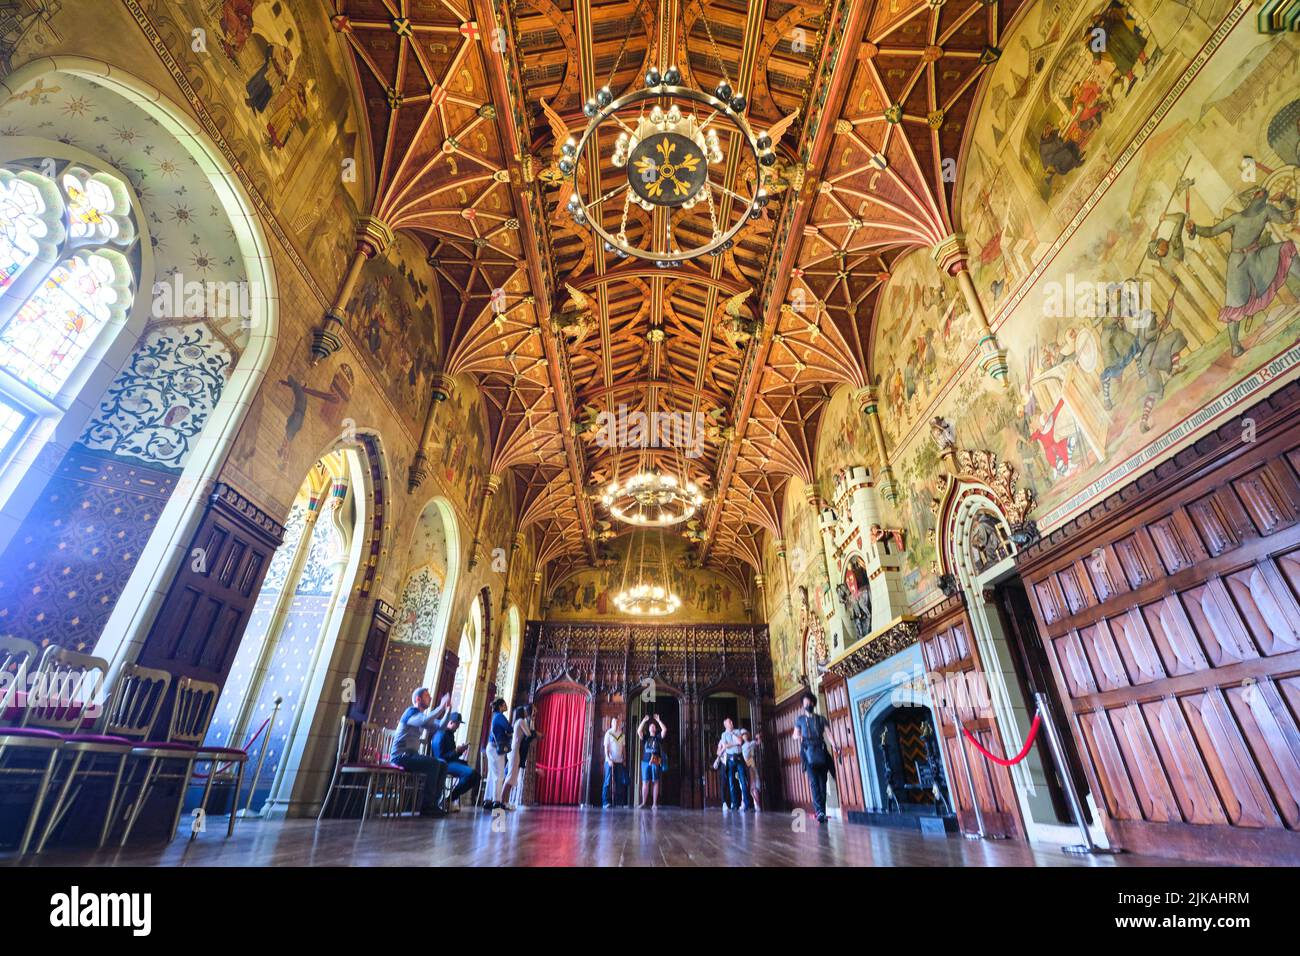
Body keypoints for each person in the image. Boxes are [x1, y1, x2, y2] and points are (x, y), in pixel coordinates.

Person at [389, 687, 450, 817]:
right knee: (433, 763)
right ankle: (426, 806)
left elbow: (441, 727)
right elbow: (424, 721)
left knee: (443, 764)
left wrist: (448, 710)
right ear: (418, 699)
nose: (430, 698)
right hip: (400, 756)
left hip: (412, 755)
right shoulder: (411, 712)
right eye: (427, 696)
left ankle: (434, 804)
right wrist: (440, 707)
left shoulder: (422, 716)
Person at [793, 692, 838, 823]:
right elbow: (795, 735)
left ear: (813, 703)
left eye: (810, 702)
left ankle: (822, 810)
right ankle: (819, 811)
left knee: (822, 783)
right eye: (806, 703)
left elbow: (829, 734)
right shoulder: (800, 719)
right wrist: (799, 735)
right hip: (808, 753)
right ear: (803, 705)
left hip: (821, 752)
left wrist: (835, 745)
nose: (808, 705)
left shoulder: (821, 719)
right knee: (813, 782)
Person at [431, 710, 480, 812]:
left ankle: (450, 799)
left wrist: (459, 751)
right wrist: (456, 751)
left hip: (451, 762)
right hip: (444, 764)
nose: (458, 727)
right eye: (457, 724)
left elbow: (452, 754)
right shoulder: (441, 734)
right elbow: (440, 757)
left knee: (476, 776)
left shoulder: (450, 734)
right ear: (450, 722)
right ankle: (449, 800)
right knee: (470, 774)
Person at [508, 703, 541, 808]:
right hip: (523, 750)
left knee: (527, 775)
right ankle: (518, 799)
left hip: (530, 751)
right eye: (534, 710)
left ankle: (526, 799)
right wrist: (536, 734)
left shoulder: (531, 721)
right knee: (520, 775)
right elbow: (529, 735)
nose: (536, 712)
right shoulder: (524, 721)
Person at [483, 698, 513, 811]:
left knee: (492, 775)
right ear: (500, 706)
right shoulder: (500, 716)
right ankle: (497, 801)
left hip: (491, 747)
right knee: (499, 775)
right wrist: (508, 733)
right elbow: (509, 728)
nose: (506, 706)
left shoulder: (494, 715)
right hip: (496, 748)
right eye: (504, 705)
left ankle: (488, 800)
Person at [719, 716, 753, 812]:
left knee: (743, 781)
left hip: (739, 758)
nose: (731, 723)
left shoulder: (737, 731)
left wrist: (733, 736)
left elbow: (740, 742)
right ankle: (735, 804)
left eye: (731, 721)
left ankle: (746, 804)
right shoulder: (724, 734)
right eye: (729, 722)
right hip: (730, 759)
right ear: (725, 725)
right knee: (731, 782)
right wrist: (734, 743)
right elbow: (725, 746)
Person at [637, 712, 668, 809]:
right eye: (651, 726)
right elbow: (639, 731)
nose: (652, 726)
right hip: (645, 762)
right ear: (649, 728)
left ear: (655, 729)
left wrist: (658, 721)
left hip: (656, 760)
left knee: (655, 781)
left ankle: (654, 804)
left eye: (654, 726)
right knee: (645, 782)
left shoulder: (658, 737)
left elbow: (664, 729)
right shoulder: (646, 737)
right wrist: (644, 721)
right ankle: (643, 803)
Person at [602, 715, 628, 808]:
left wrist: (624, 759)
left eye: (617, 722)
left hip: (619, 761)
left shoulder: (622, 734)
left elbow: (623, 748)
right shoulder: (608, 733)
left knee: (619, 782)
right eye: (614, 722)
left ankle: (619, 802)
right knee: (607, 781)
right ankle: (605, 802)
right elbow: (606, 748)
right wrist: (608, 759)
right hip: (610, 761)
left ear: (619, 723)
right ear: (611, 723)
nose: (615, 724)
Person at [741, 729, 763, 812]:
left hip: (750, 761)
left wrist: (758, 737)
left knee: (754, 784)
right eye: (743, 735)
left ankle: (757, 804)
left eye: (745, 734)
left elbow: (758, 742)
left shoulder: (751, 743)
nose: (745, 736)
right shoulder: (741, 746)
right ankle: (745, 804)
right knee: (746, 784)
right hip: (744, 764)